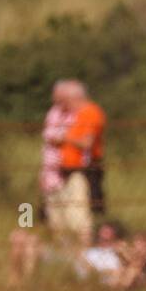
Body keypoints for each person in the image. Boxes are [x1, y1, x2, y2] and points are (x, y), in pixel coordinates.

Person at [46, 80, 105, 250]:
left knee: (79, 218)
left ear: (76, 97)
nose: (64, 104)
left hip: (82, 171)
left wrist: (63, 138)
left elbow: (87, 143)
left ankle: (84, 255)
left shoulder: (91, 113)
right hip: (65, 172)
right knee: (62, 220)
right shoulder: (75, 115)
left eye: (66, 100)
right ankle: (68, 257)